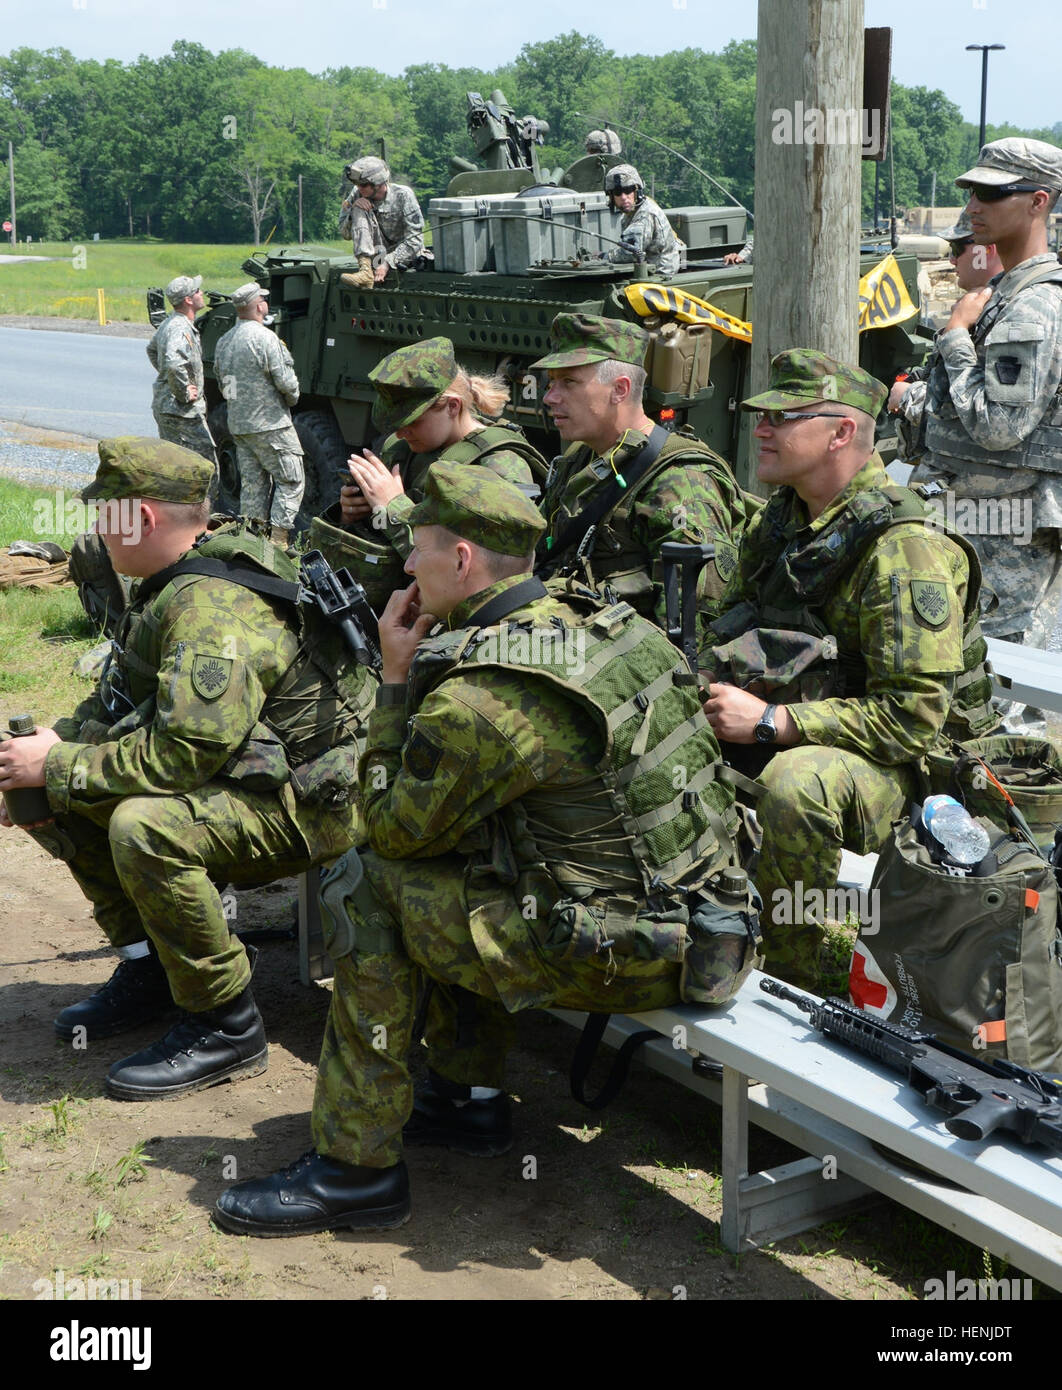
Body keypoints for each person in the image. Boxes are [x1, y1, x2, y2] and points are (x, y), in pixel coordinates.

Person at [213, 462, 753, 1235]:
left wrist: (395, 678)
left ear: (462, 561)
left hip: (625, 953)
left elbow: (391, 826)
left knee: (365, 875)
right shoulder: (606, 626)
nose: (404, 566)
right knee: (462, 862)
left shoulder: (488, 694)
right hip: (705, 928)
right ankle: (465, 1100)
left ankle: (353, 1168)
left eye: (418, 550)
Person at [0, 438, 369, 1099]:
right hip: (262, 772)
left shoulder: (208, 606)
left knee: (145, 824)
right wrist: (45, 753)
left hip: (321, 798)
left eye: (103, 516)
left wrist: (60, 764)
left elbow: (180, 756)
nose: (93, 532)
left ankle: (224, 1022)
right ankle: (153, 971)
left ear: (141, 519)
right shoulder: (185, 568)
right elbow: (125, 693)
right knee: (49, 787)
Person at [701, 350, 997, 992]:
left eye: (783, 417)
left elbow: (913, 719)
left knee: (795, 785)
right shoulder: (782, 521)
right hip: (814, 721)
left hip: (909, 766)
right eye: (761, 416)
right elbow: (723, 622)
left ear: (841, 433)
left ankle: (796, 975)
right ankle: (700, 930)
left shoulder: (902, 548)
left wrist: (774, 722)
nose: (761, 429)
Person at [903, 138, 1062, 733]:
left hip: (1004, 521)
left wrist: (954, 336)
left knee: (998, 685)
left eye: (993, 193)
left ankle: (1010, 813)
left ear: (1038, 202)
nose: (973, 204)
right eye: (971, 190)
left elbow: (999, 427)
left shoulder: (1031, 307)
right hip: (979, 512)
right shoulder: (1009, 293)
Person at [534, 312, 752, 644]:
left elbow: (693, 637)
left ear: (619, 389)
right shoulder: (581, 460)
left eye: (569, 383)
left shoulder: (679, 482)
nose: (550, 397)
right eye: (551, 383)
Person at [313, 337, 546, 610]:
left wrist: (392, 509)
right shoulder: (403, 449)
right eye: (396, 423)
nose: (400, 432)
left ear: (453, 407)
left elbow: (481, 571)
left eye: (412, 422)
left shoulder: (500, 466)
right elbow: (377, 537)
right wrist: (354, 513)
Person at [888, 210, 1004, 444]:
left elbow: (993, 420)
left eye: (958, 249)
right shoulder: (981, 305)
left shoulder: (1009, 312)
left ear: (986, 250)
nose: (952, 259)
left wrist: (909, 396)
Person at [213, 282, 305, 543]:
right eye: (263, 299)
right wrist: (292, 398)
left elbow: (224, 385)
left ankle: (250, 541)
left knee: (254, 487)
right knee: (291, 480)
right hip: (271, 424)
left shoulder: (225, 341)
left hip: (240, 425)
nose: (266, 303)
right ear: (258, 305)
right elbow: (286, 382)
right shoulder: (265, 338)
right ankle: (277, 540)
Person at [145, 274, 217, 467]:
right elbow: (174, 362)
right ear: (188, 300)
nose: (201, 293)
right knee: (201, 467)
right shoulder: (179, 327)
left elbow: (152, 349)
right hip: (180, 411)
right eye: (197, 291)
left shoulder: (171, 322)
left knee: (176, 466)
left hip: (168, 407)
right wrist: (183, 390)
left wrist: (169, 377)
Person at [338, 157, 425, 289]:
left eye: (363, 184)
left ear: (377, 183)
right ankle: (365, 270)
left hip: (406, 258)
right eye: (356, 184)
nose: (359, 188)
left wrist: (388, 262)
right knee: (358, 208)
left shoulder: (403, 196)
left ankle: (369, 269)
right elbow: (345, 233)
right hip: (376, 258)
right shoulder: (357, 194)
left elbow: (416, 240)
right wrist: (352, 212)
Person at [602, 165, 681, 277]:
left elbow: (630, 253)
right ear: (611, 196)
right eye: (618, 192)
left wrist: (605, 257)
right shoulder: (633, 212)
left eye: (628, 190)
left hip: (659, 276)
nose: (624, 197)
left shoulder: (645, 214)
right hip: (647, 272)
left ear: (636, 191)